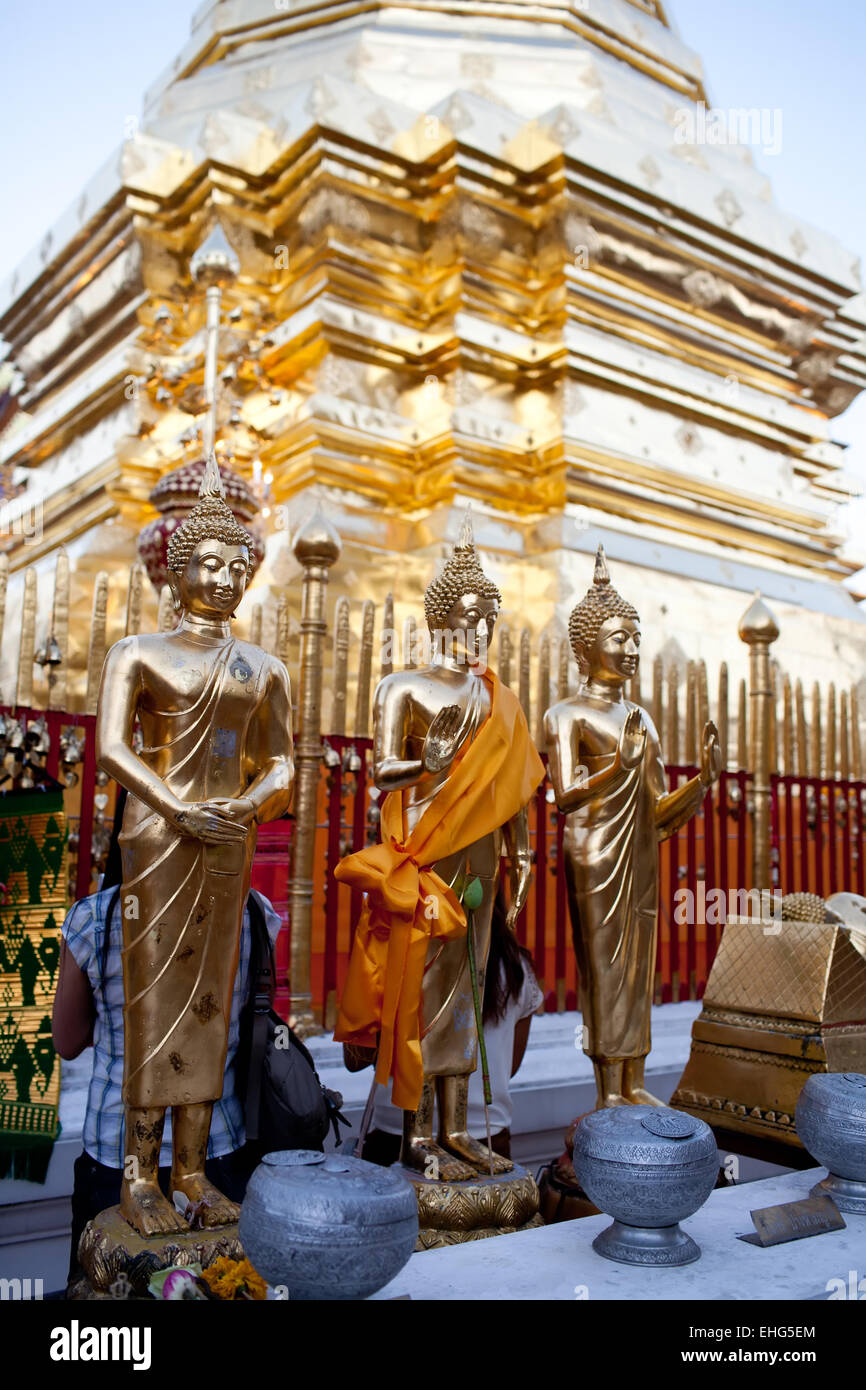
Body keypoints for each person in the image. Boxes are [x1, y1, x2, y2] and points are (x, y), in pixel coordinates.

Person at [53, 801, 281, 1281]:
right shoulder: (251, 911)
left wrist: (118, 1030)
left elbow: (68, 1040)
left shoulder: (97, 917)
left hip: (113, 1151)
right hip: (221, 1147)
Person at [352, 888, 542, 1165]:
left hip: (396, 1134)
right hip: (486, 1136)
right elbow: (507, 1067)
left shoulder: (391, 953)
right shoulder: (516, 968)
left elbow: (357, 1056)